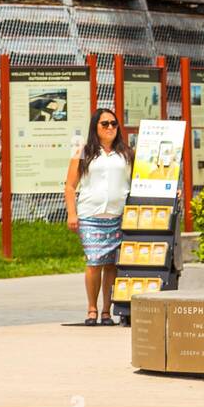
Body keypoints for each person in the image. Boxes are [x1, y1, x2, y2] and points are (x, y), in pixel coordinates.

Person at [65, 108, 133, 325]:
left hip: (118, 215)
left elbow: (142, 179)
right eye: (105, 124)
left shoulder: (126, 153)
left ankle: (107, 310)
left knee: (112, 265)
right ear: (95, 127)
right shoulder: (83, 152)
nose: (110, 128)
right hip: (90, 215)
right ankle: (92, 308)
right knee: (94, 262)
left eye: (114, 124)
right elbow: (69, 186)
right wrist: (72, 214)